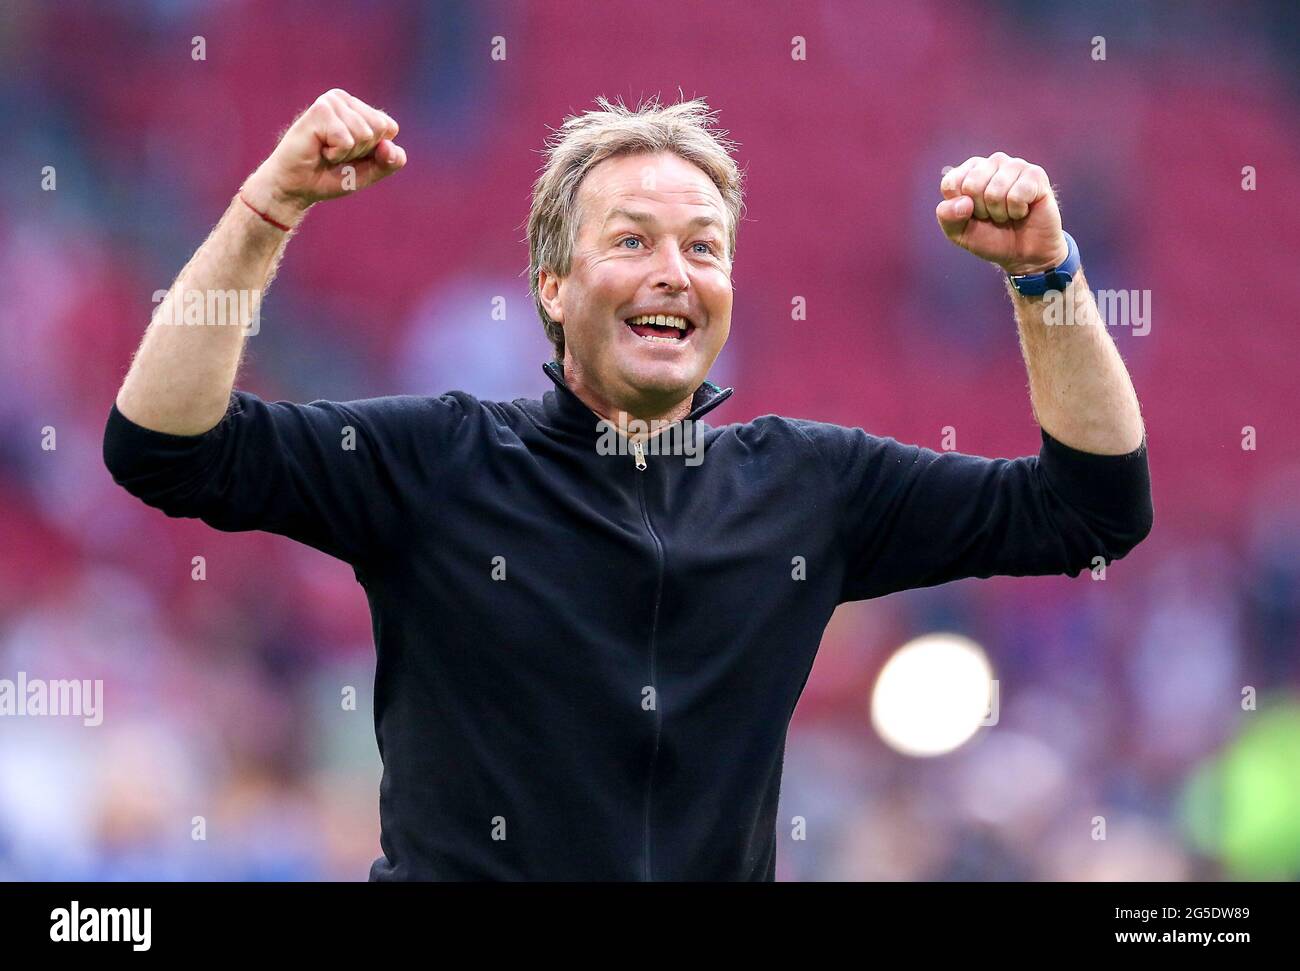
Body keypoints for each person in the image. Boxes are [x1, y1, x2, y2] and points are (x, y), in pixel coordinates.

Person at [103, 89, 1152, 880]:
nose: (675, 270)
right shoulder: (438, 463)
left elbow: (1093, 509)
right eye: (631, 240)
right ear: (552, 289)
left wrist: (1044, 276)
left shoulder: (808, 485)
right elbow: (162, 443)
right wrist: (269, 207)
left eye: (704, 246)